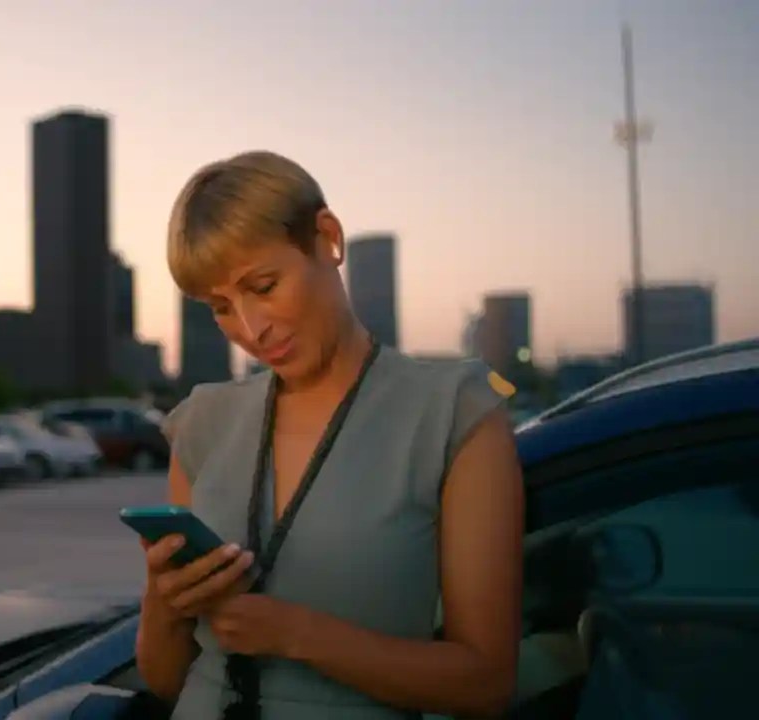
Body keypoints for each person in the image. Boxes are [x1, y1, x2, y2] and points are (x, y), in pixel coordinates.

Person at [135, 151, 524, 719]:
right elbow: (165, 680)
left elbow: (485, 683)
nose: (250, 330)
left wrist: (299, 636)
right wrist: (162, 604)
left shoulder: (453, 414)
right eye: (221, 308)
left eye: (263, 286)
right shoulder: (203, 423)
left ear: (327, 239)